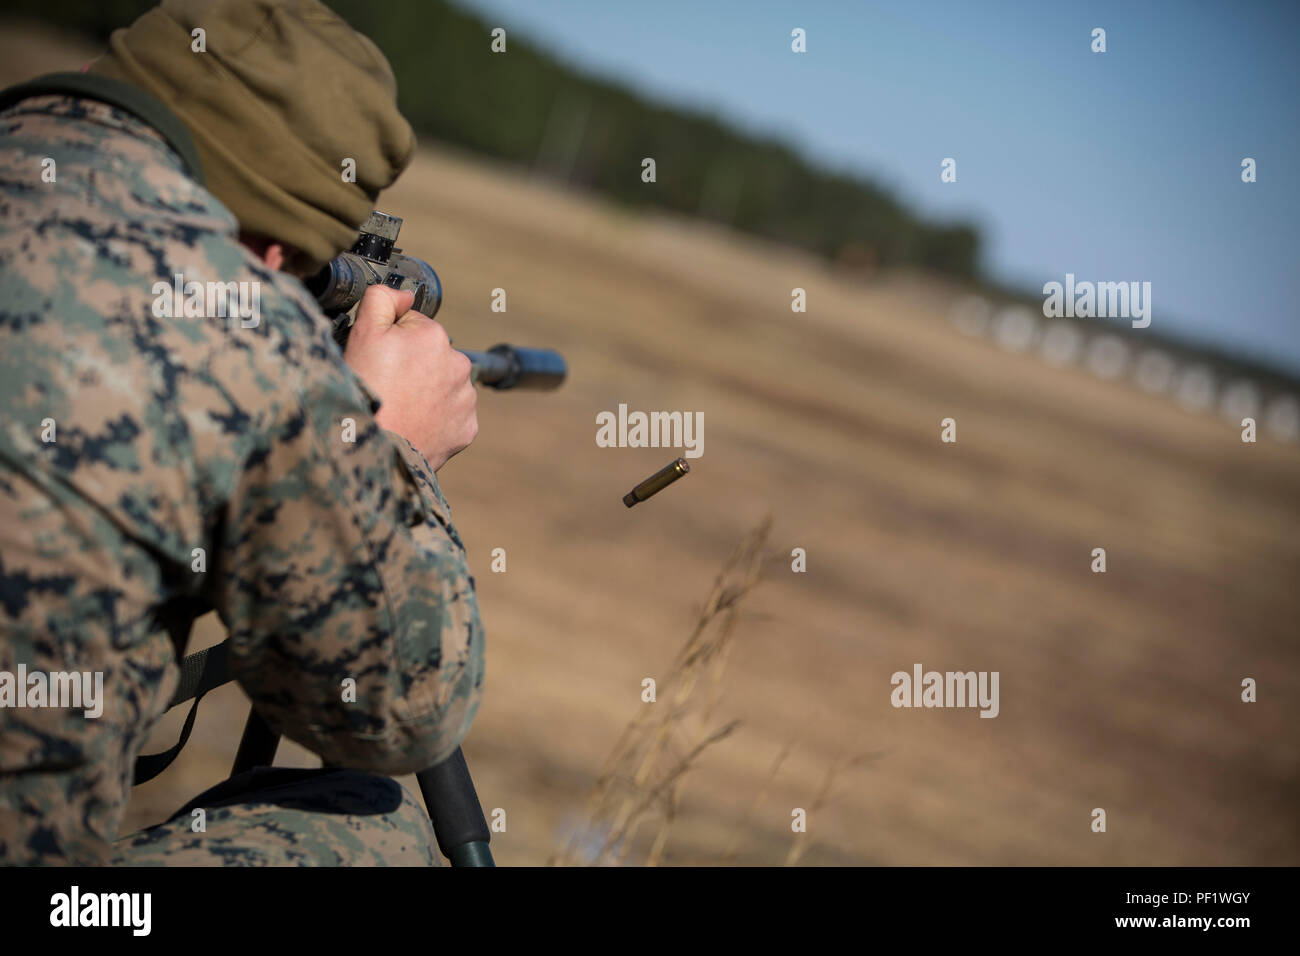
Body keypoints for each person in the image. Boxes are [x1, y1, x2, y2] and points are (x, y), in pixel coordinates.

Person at [0, 0, 484, 865]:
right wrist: (389, 449)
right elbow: (403, 709)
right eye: (302, 264)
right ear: (266, 250)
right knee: (371, 833)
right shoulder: (227, 323)